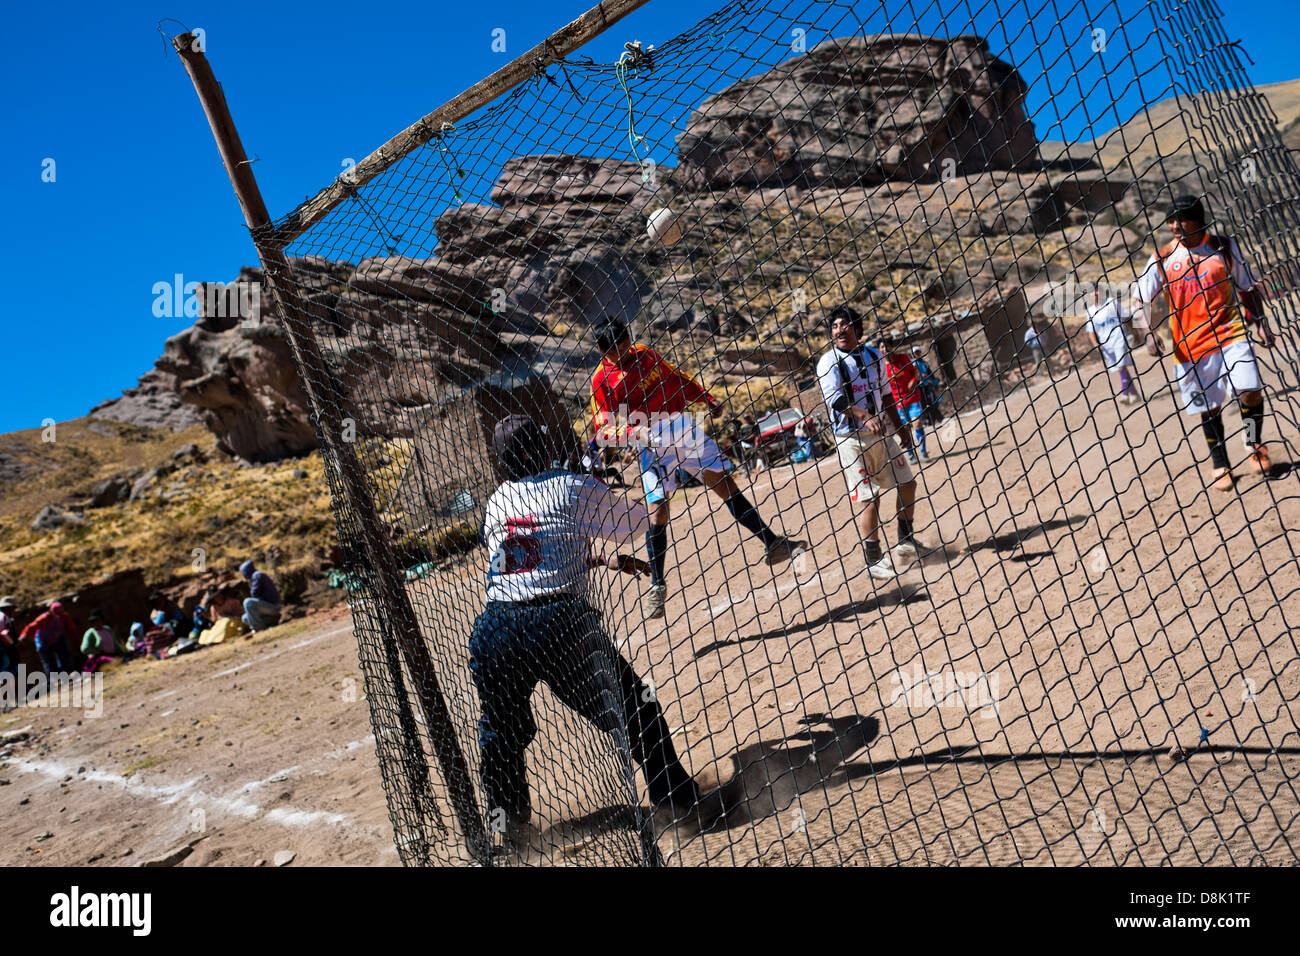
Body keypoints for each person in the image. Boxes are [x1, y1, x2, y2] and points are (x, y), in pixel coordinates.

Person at [471, 415, 710, 851]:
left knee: (500, 735)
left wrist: (605, 561)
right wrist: (659, 479)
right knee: (639, 710)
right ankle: (681, 802)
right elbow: (639, 524)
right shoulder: (570, 485)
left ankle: (508, 830)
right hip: (559, 626)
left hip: (497, 628)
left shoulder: (497, 500)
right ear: (540, 450)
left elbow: (528, 555)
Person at [589, 318, 807, 620]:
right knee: (659, 510)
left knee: (726, 487)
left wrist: (705, 398)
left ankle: (773, 544)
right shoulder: (601, 379)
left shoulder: (645, 354)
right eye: (615, 352)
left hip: (681, 427)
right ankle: (657, 586)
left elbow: (676, 378)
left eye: (625, 346)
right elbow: (602, 426)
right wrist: (635, 434)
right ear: (603, 351)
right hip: (650, 442)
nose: (623, 354)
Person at [1134, 195, 1276, 491]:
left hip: (1230, 334)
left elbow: (1246, 285)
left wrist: (1261, 322)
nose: (1174, 225)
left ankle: (1254, 443)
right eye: (1171, 220)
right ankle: (1220, 463)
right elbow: (1139, 299)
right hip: (1191, 348)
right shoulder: (1161, 258)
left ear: (1198, 220)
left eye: (1181, 219)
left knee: (1250, 391)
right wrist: (1148, 332)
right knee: (1209, 409)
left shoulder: (1223, 247)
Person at [816, 305, 929, 580]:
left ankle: (905, 540)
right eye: (834, 326)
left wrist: (900, 428)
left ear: (857, 328)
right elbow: (836, 400)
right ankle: (874, 559)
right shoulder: (828, 362)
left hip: (880, 433)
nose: (839, 330)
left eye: (845, 324)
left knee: (908, 483)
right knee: (870, 498)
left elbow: (887, 395)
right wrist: (864, 416)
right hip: (850, 439)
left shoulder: (874, 356)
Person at [1084, 283, 1140, 406]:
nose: (1095, 294)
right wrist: (1096, 344)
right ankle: (1135, 394)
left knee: (1121, 366)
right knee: (1121, 369)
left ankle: (1125, 395)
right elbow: (1091, 331)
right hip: (1106, 344)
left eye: (1097, 291)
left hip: (1119, 338)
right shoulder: (1090, 311)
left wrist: (1135, 332)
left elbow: (1126, 317)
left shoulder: (1112, 303)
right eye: (1092, 292)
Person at [886, 348, 928, 463]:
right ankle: (911, 454)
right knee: (904, 428)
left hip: (912, 397)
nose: (884, 349)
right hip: (897, 403)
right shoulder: (881, 366)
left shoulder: (903, 358)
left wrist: (914, 380)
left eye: (886, 346)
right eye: (881, 347)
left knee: (917, 423)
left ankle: (923, 452)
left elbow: (915, 371)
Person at [21, 601, 76, 677]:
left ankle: (68, 675)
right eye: (57, 614)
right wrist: (24, 635)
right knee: (49, 663)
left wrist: (75, 641)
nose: (59, 616)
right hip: (43, 643)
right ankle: (53, 681)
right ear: (51, 612)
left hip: (57, 640)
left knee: (64, 658)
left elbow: (71, 629)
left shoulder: (64, 617)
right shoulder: (43, 618)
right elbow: (31, 627)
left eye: (60, 613)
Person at [239, 560, 283, 633]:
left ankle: (258, 628)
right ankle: (271, 621)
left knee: (248, 602)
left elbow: (254, 593)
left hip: (273, 606)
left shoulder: (257, 575)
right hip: (265, 607)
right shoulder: (255, 576)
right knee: (245, 618)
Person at [913, 346, 945, 427]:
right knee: (922, 404)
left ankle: (936, 418)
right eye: (915, 353)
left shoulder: (924, 363)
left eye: (918, 352)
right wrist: (919, 375)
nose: (917, 354)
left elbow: (931, 374)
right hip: (919, 387)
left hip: (927, 385)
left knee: (932, 401)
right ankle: (926, 420)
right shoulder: (913, 364)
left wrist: (935, 384)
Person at [80, 609, 117, 673]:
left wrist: (121, 652)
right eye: (94, 621)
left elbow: (115, 643)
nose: (96, 623)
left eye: (98, 620)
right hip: (98, 659)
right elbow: (84, 649)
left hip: (111, 655)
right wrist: (96, 651)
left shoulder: (107, 629)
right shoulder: (90, 633)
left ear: (102, 620)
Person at [0, 596, 19, 680]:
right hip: (4, 650)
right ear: (9, 608)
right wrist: (14, 643)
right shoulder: (3, 617)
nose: (14, 611)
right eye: (13, 608)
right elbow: (4, 634)